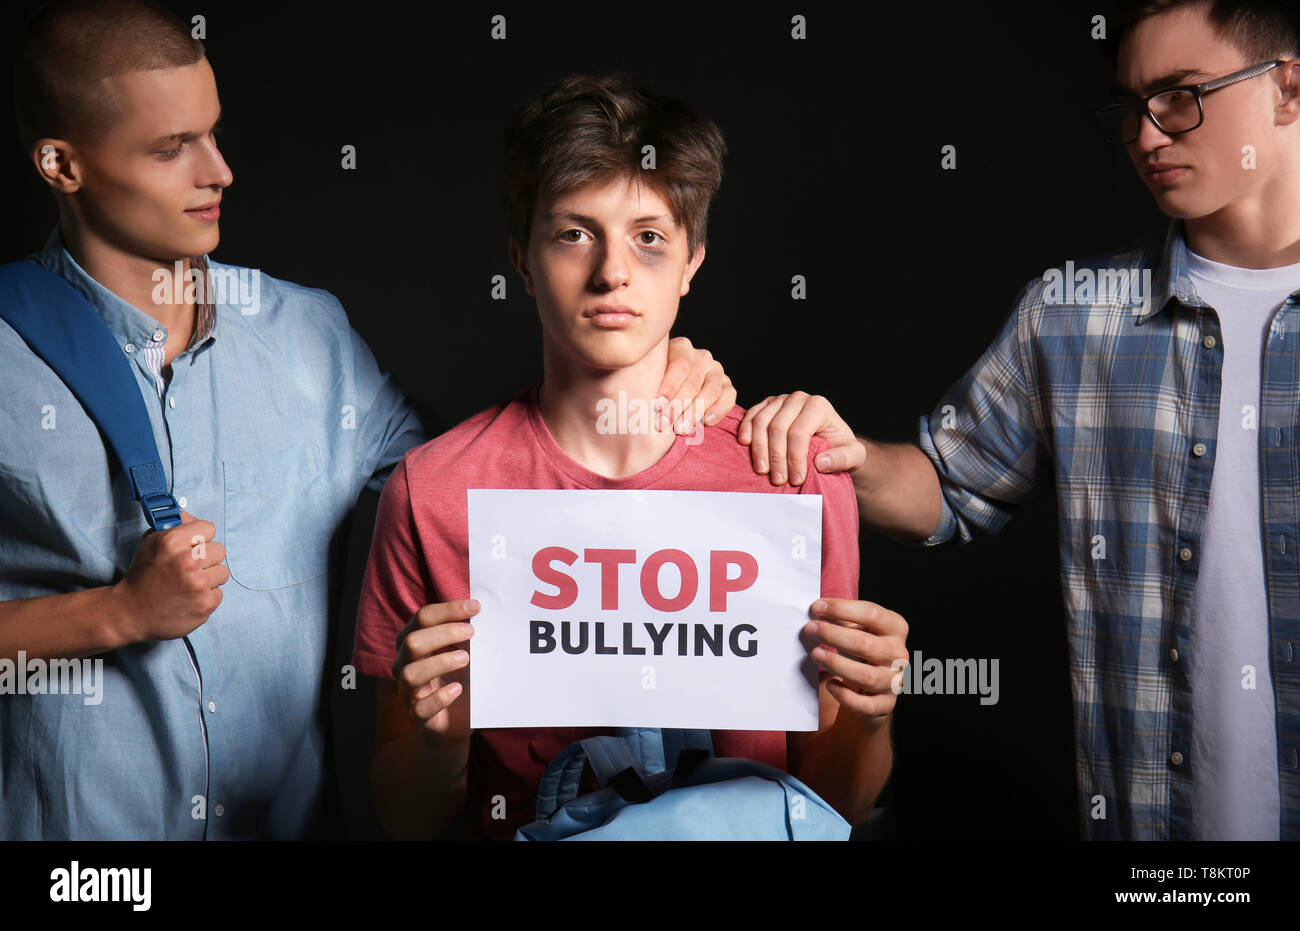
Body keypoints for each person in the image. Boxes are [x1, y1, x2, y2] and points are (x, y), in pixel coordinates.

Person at [0, 0, 734, 840]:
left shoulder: (310, 337)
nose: (220, 171)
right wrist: (118, 614)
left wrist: (642, 376)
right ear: (61, 164)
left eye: (214, 132)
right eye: (172, 149)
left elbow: (481, 490)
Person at [737, 0, 1300, 840]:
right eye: (1129, 108)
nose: (1146, 138)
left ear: (1288, 89)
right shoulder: (1071, 314)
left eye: (1181, 96)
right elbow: (950, 484)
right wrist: (844, 453)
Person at [351, 72, 908, 840]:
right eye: (574, 232)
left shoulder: (791, 476)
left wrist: (871, 718)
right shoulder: (434, 491)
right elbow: (410, 822)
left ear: (692, 262)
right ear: (520, 258)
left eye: (649, 238)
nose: (612, 272)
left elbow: (830, 808)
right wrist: (441, 737)